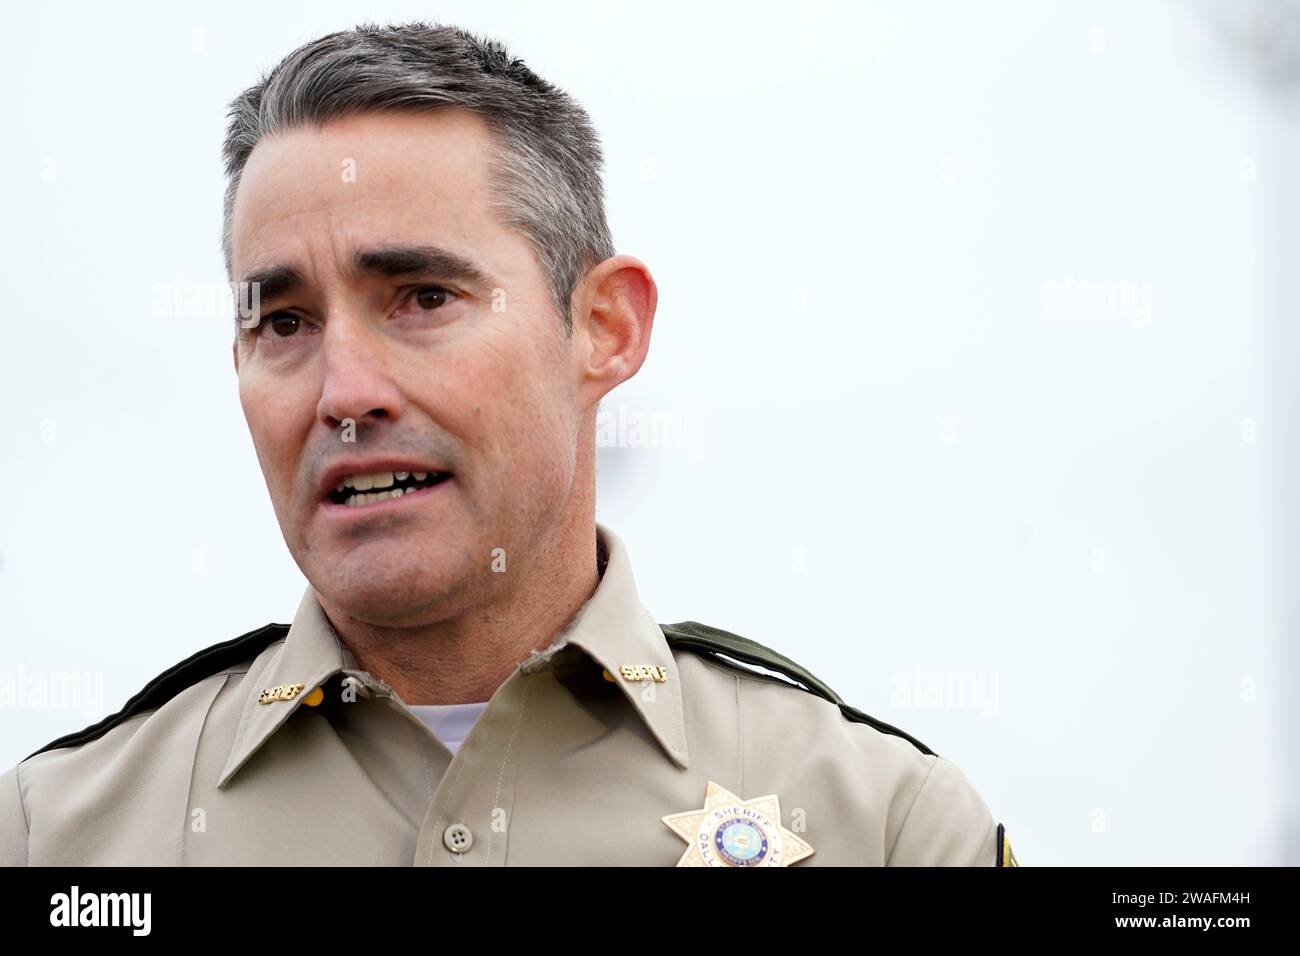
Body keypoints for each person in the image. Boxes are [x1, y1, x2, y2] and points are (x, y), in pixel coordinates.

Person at [0, 21, 1015, 867]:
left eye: (423, 297)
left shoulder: (884, 827)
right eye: (283, 322)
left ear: (604, 327)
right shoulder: (58, 836)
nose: (344, 394)